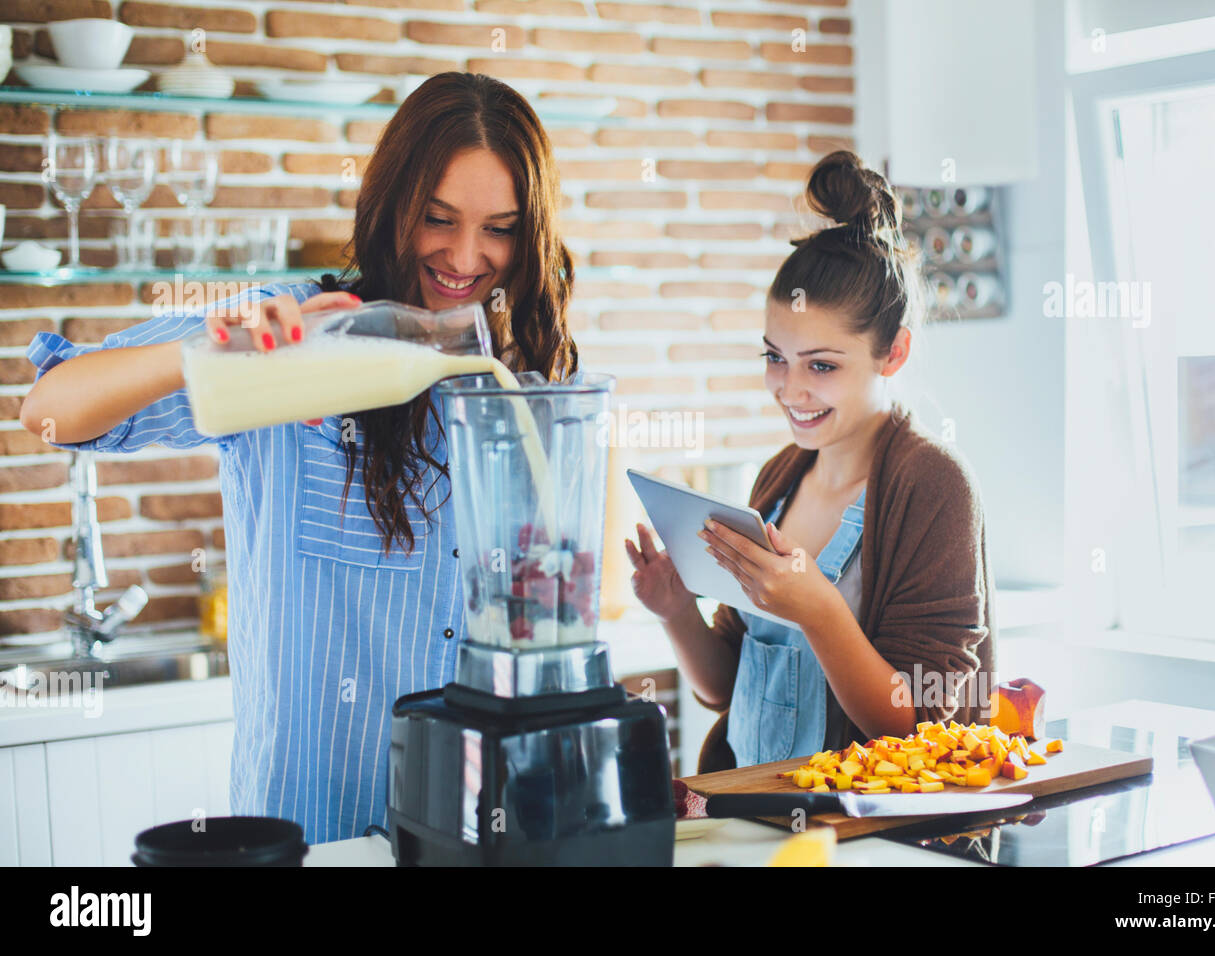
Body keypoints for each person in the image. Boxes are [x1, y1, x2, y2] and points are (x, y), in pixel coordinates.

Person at [19, 72, 579, 843]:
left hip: (484, 831)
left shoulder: (530, 372)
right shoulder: (301, 336)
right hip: (315, 836)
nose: (465, 256)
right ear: (393, 207)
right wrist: (221, 350)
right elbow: (51, 410)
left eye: (501, 228)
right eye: (437, 218)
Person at [625, 150, 996, 772]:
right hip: (752, 821)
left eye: (821, 365)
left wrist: (816, 607)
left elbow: (918, 723)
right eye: (777, 357)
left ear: (893, 353)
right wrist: (675, 608)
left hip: (859, 836)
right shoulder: (780, 475)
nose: (789, 390)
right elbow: (725, 689)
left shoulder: (932, 485)